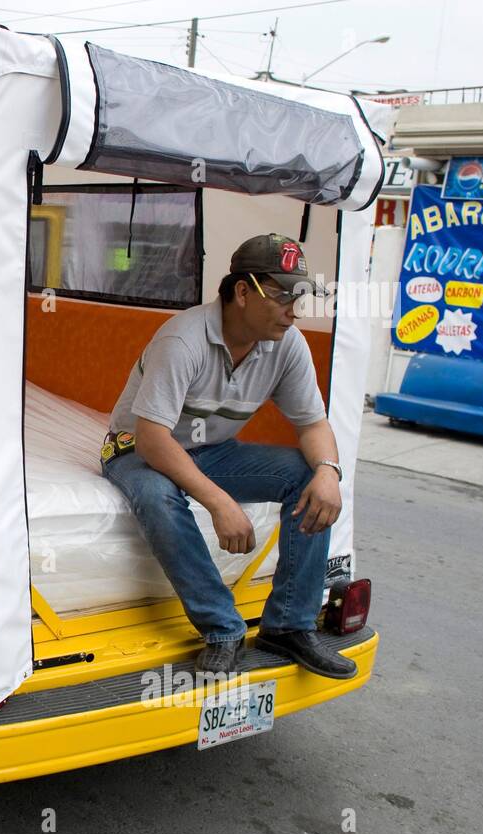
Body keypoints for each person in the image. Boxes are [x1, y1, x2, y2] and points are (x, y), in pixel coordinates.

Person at [101, 234, 355, 679]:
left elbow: (313, 424)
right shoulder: (183, 339)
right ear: (243, 291)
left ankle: (288, 626)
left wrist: (329, 472)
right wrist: (219, 502)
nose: (294, 310)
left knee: (307, 475)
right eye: (283, 296)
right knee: (158, 495)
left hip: (212, 451)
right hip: (136, 449)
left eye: (300, 296)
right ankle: (223, 629)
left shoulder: (287, 344)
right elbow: (152, 439)